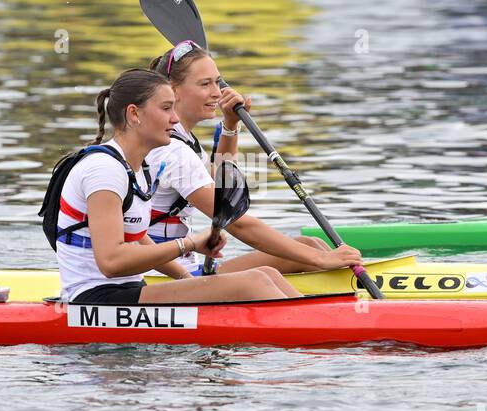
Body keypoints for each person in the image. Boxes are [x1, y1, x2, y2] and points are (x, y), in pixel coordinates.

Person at [51, 68, 300, 304]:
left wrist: (187, 281)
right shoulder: (104, 170)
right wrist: (189, 244)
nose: (174, 118)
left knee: (268, 273)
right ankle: (317, 337)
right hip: (95, 298)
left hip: (129, 289)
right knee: (254, 281)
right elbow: (111, 262)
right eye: (166, 108)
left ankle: (324, 320)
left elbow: (137, 238)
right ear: (134, 114)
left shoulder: (138, 168)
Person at [145, 40, 364, 278]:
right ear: (173, 90)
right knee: (313, 252)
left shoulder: (183, 141)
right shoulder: (173, 152)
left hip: (186, 268)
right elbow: (236, 222)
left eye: (217, 82)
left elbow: (224, 187)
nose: (217, 93)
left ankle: (347, 289)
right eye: (205, 84)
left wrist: (230, 125)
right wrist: (322, 259)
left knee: (311, 245)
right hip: (165, 277)